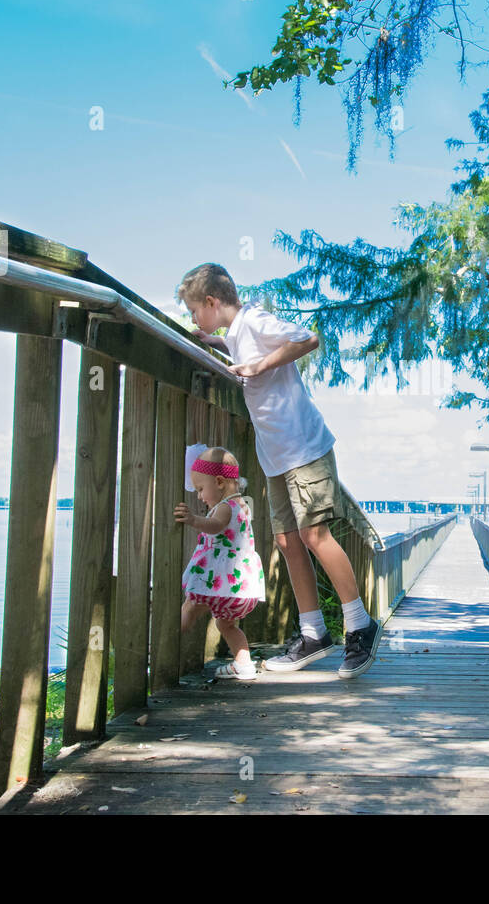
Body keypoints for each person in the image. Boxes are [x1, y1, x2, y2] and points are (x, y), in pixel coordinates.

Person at [176, 262, 381, 678]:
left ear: (213, 302)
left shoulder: (254, 320)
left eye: (195, 311)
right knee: (288, 542)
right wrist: (213, 342)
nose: (194, 318)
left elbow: (308, 339)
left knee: (314, 535)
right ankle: (313, 634)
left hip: (303, 446)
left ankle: (360, 625)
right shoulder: (235, 333)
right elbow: (240, 348)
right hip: (275, 455)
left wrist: (258, 367)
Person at [174, 446, 266, 680]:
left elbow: (216, 526)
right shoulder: (242, 504)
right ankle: (244, 664)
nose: (198, 496)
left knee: (190, 606)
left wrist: (194, 520)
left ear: (219, 481)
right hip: (235, 582)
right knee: (226, 625)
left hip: (219, 577)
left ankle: (163, 644)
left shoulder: (225, 507)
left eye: (200, 489)